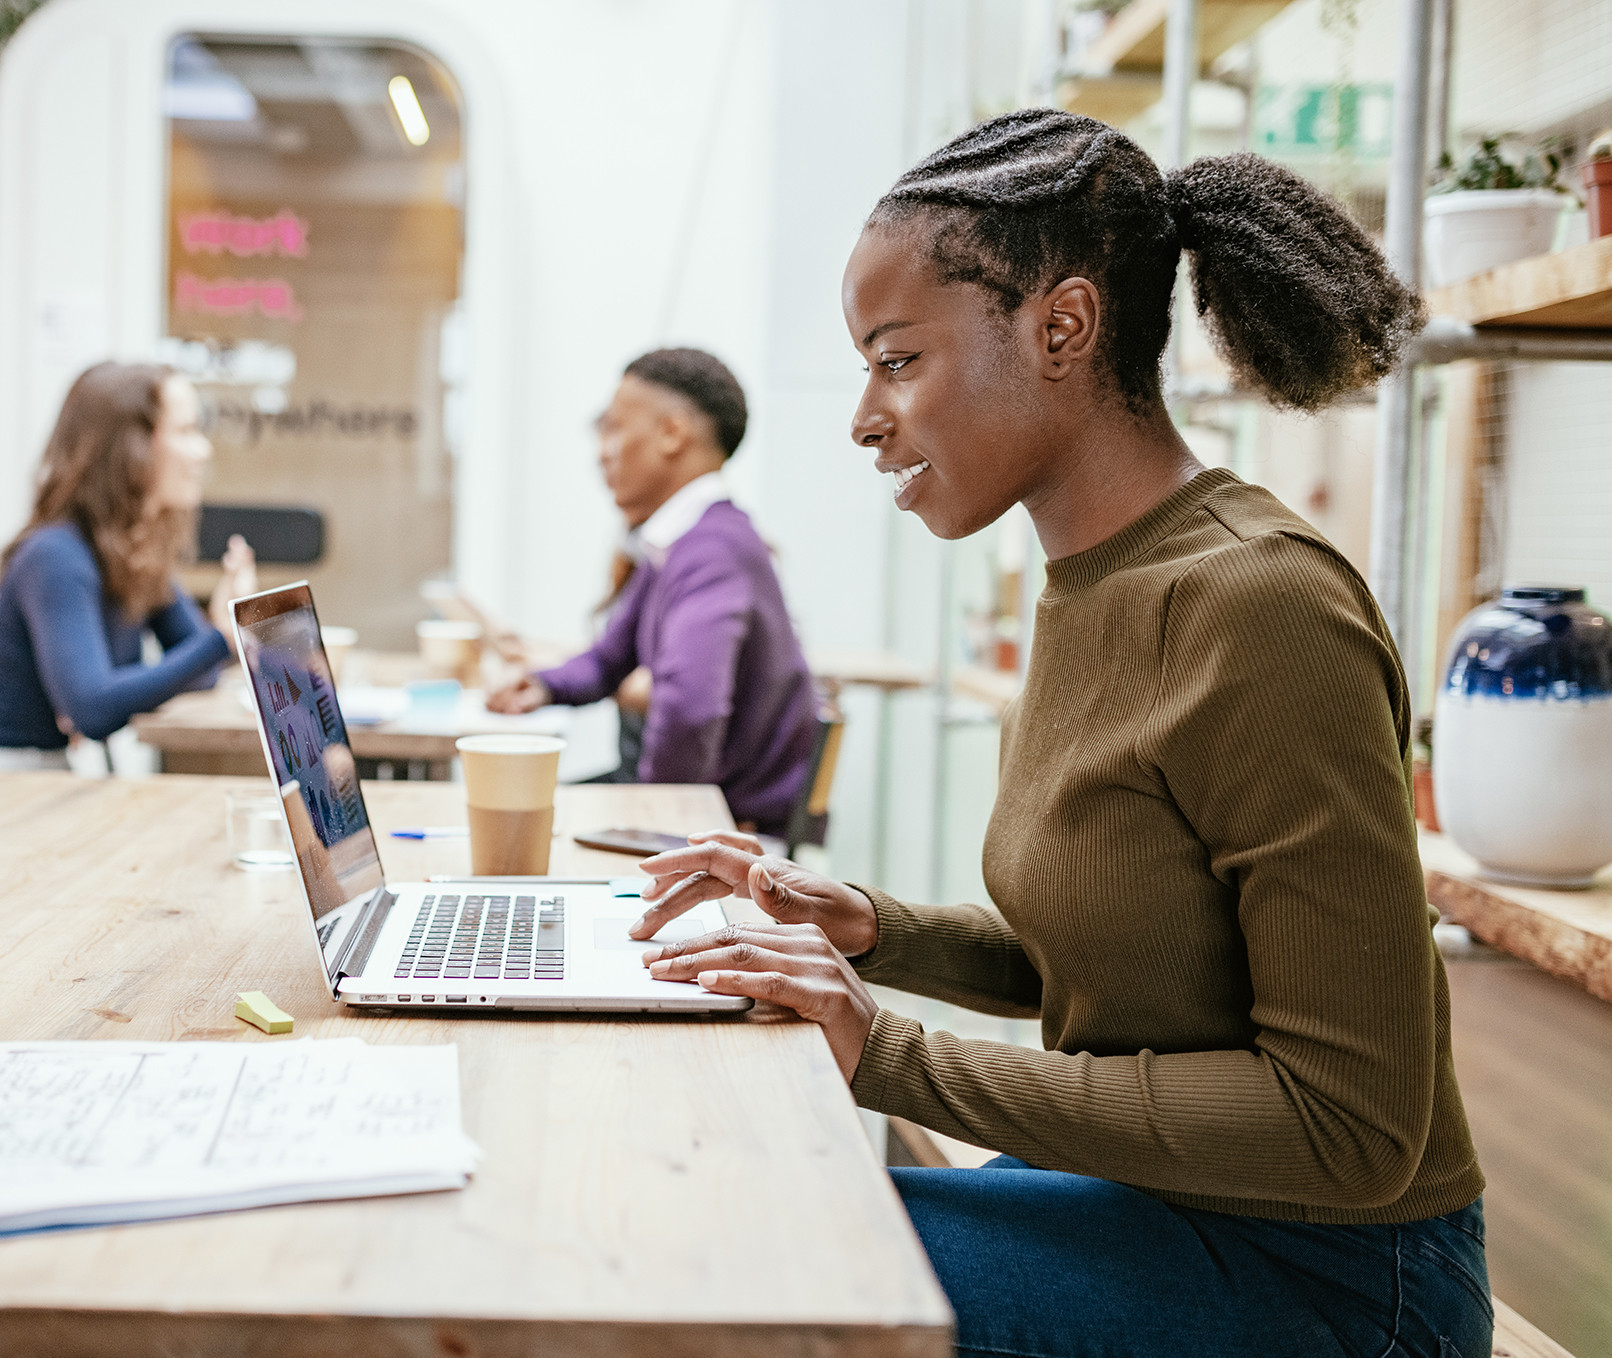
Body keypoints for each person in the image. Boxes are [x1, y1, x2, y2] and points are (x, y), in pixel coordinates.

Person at [630, 110, 1490, 1357]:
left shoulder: (1261, 604)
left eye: (899, 359)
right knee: (720, 1197)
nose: (863, 417)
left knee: (747, 1248)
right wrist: (872, 926)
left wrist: (893, 1050)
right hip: (1169, 1212)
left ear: (1063, 329)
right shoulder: (1093, 579)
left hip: (1345, 1282)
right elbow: (1131, 954)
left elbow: (1350, 1124)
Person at [487, 348, 816, 834]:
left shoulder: (712, 550)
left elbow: (688, 710)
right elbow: (608, 660)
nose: (603, 450)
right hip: (693, 809)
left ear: (672, 434)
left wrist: (648, 828)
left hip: (727, 829)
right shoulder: (677, 544)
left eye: (615, 428)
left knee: (515, 827)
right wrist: (543, 685)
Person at [0, 363, 255, 767]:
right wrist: (220, 639)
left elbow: (200, 671)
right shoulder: (56, 556)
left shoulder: (131, 552)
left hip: (42, 776)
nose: (203, 450)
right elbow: (94, 709)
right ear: (131, 449)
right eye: (186, 431)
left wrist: (221, 633)